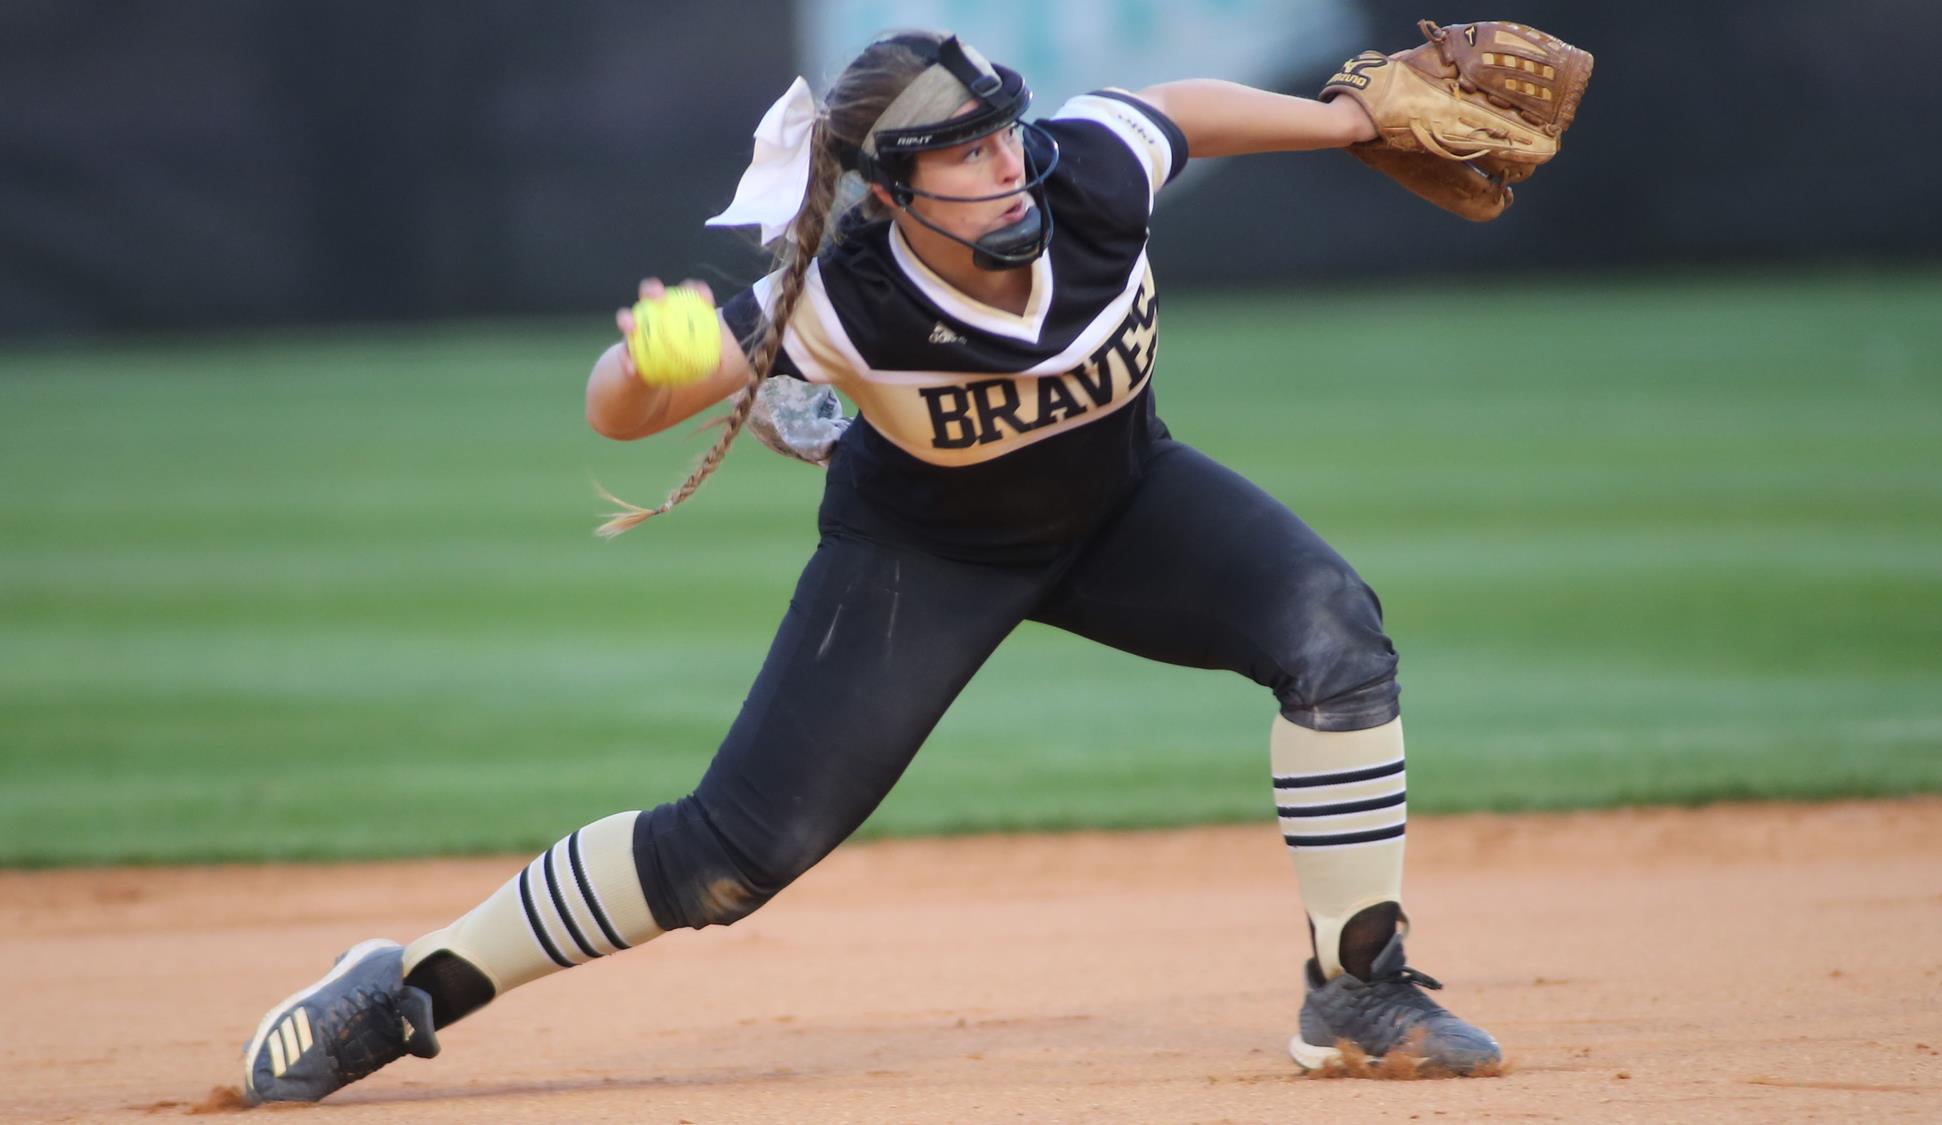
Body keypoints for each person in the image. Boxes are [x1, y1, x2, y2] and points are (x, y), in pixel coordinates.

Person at [239, 30, 1501, 1104]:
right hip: (926, 553)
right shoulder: (837, 301)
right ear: (891, 190)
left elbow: (1172, 111)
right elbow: (611, 414)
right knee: (727, 857)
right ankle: (404, 988)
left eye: (1002, 132)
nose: (1005, 162)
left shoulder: (1092, 177)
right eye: (962, 150)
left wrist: (1346, 121)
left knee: (1334, 635)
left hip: (1126, 505)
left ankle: (1356, 993)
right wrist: (650, 361)